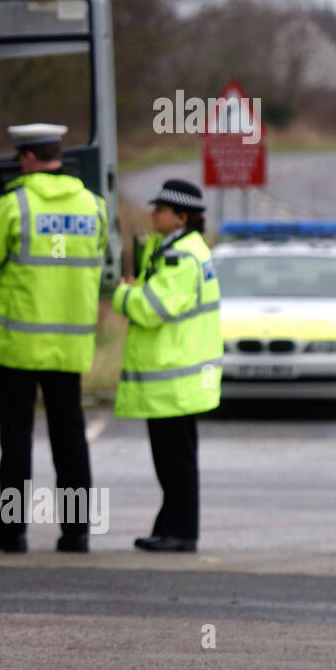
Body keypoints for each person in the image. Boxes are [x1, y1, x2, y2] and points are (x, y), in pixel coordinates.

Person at [0, 124, 107, 554]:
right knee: (71, 439)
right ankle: (77, 532)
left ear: (26, 157)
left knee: (16, 440)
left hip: (18, 344)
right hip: (69, 344)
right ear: (57, 155)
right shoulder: (94, 205)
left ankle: (13, 531)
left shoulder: (16, 204)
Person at [111, 178, 221, 552]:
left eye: (161, 209)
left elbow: (152, 308)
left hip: (173, 378)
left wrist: (124, 294)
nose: (153, 213)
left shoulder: (181, 256)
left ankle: (181, 532)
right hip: (178, 378)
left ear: (182, 216)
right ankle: (171, 526)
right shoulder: (180, 248)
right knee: (175, 461)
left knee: (175, 462)